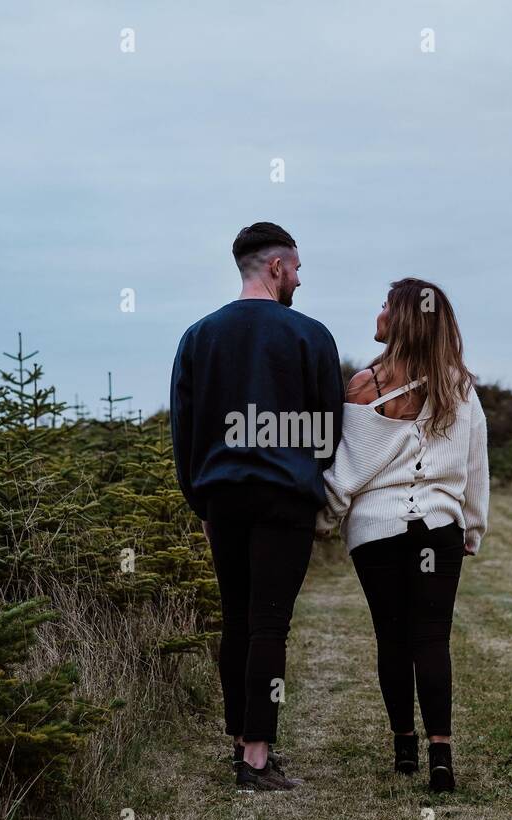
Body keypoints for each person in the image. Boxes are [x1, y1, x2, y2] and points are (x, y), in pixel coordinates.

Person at [170, 222, 343, 791]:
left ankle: (243, 742)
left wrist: (199, 495)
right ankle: (258, 759)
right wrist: (312, 482)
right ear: (275, 267)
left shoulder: (198, 337)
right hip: (283, 496)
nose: (299, 277)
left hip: (222, 496)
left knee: (237, 618)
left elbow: (185, 428)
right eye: (295, 267)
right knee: (270, 623)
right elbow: (327, 427)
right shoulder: (309, 336)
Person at [316, 277, 488, 792]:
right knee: (432, 640)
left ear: (402, 319)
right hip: (439, 529)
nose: (378, 313)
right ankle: (441, 755)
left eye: (385, 305)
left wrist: (323, 523)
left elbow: (346, 471)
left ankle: (403, 748)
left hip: (377, 534)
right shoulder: (460, 388)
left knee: (391, 639)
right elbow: (475, 468)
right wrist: (472, 529)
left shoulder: (362, 387)